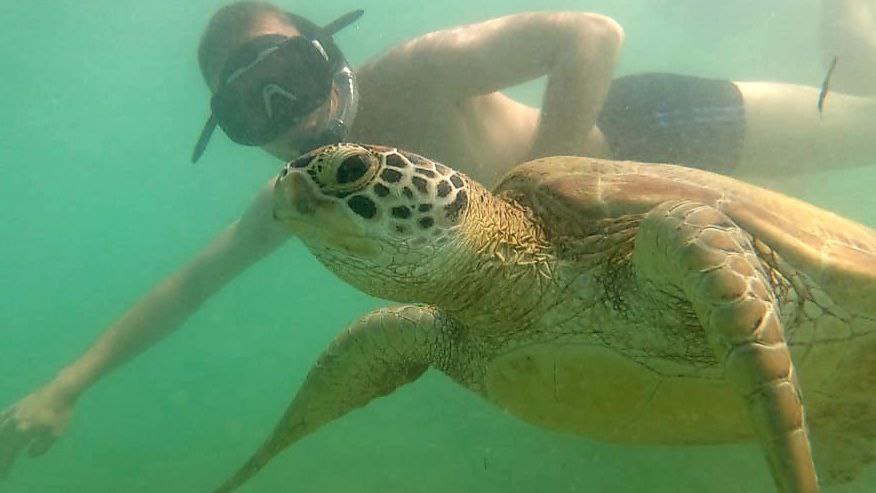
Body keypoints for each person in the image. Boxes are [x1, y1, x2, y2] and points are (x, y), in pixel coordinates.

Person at [2, 1, 876, 477]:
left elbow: (589, 31)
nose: (285, 115)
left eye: (288, 76)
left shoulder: (414, 72)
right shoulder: (303, 190)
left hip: (656, 132)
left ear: (327, 53)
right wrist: (67, 384)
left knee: (864, 119)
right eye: (247, 109)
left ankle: (849, 24)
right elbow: (190, 284)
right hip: (605, 276)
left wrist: (550, 190)